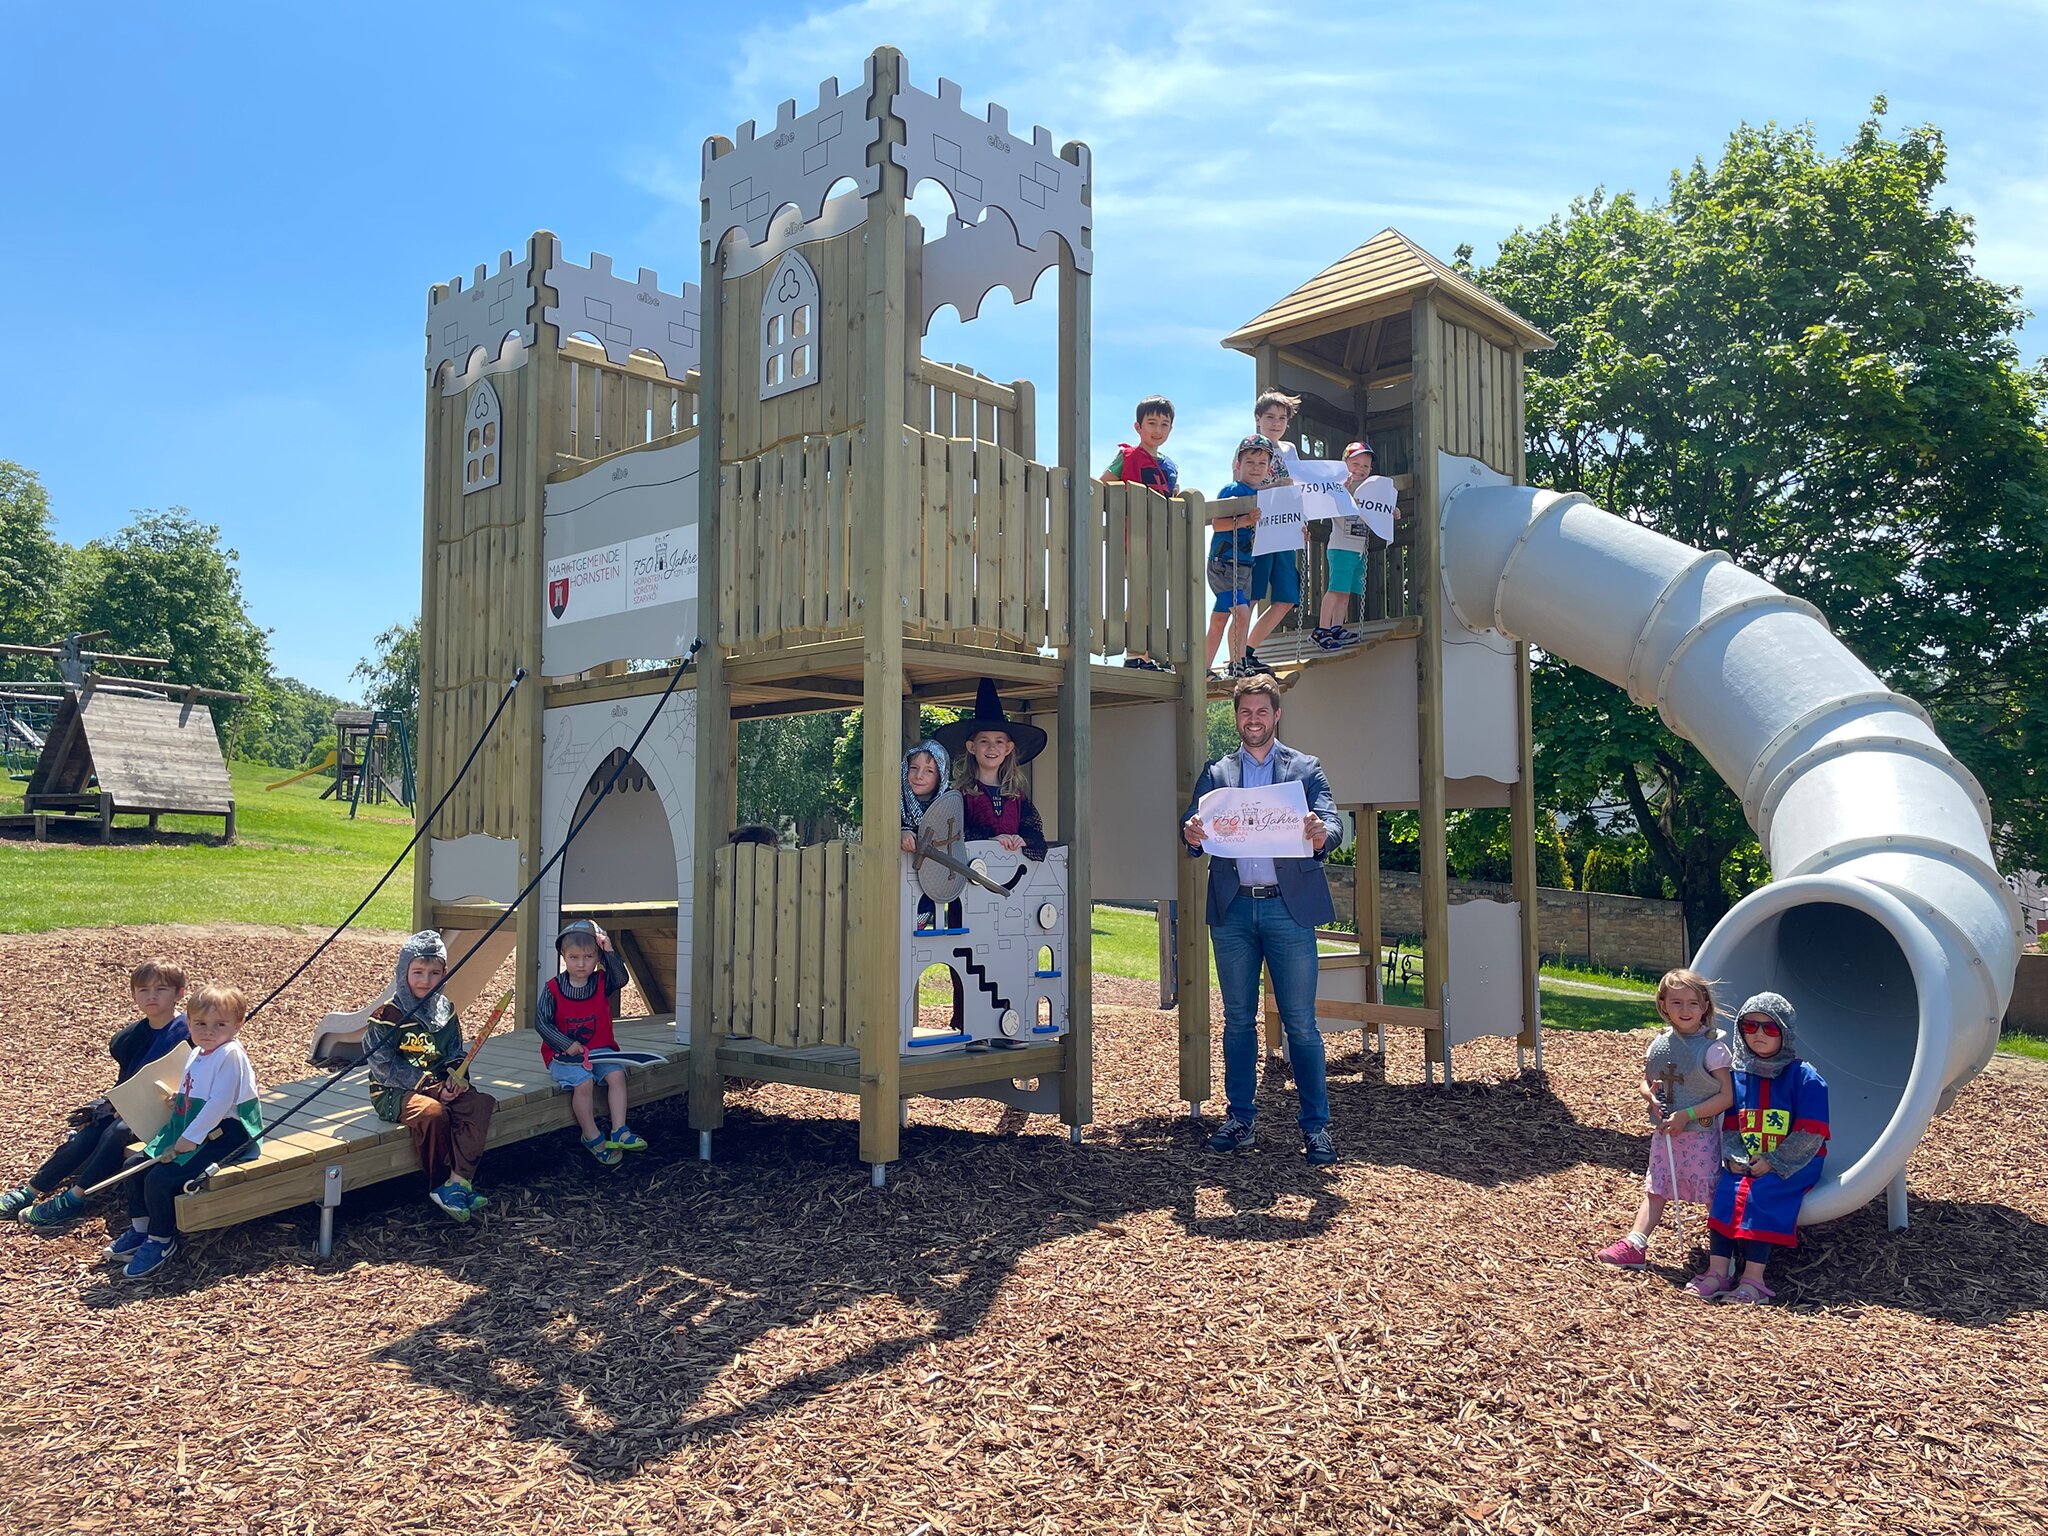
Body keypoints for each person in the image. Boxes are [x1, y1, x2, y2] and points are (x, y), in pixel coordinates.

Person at [1181, 675, 1343, 1165]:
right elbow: (1192, 832)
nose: (1253, 720)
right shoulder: (1217, 772)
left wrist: (1320, 835)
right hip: (1232, 910)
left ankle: (1316, 1128)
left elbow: (1333, 825)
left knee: (1301, 1024)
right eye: (1245, 712)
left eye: (1261, 712)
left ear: (1277, 715)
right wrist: (1191, 834)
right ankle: (1241, 1119)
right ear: (1237, 718)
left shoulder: (1306, 769)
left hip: (1287, 909)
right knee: (1236, 1021)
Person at [5, 959, 192, 1229]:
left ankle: (75, 1197)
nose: (152, 996)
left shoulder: (189, 1031)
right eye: (143, 990)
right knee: (92, 1129)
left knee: (117, 1131)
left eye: (161, 989)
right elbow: (126, 1081)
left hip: (172, 1110)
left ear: (179, 993)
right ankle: (31, 1190)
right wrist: (111, 1104)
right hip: (132, 1105)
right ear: (133, 995)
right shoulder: (131, 1037)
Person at [1689, 991, 1829, 1304]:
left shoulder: (1805, 1078)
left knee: (1762, 1193)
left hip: (1794, 1162)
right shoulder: (1738, 1076)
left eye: (1770, 1028)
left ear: (1785, 1033)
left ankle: (1753, 1280)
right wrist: (1734, 1156)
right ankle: (1718, 1271)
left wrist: (1776, 1161)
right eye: (1750, 1027)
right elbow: (1730, 1125)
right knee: (1726, 1189)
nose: (1759, 1035)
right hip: (1746, 1158)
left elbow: (1811, 1133)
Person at [116, 984, 263, 1280]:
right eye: (200, 1024)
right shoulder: (198, 1052)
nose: (208, 1031)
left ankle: (161, 1240)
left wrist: (189, 1139)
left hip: (227, 1130)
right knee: (133, 1167)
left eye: (219, 1025)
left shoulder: (230, 1054)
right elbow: (195, 1088)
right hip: (191, 1123)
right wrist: (178, 1098)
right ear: (189, 1023)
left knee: (160, 1178)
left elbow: (220, 1103)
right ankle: (141, 1229)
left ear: (238, 1025)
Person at [1595, 968, 1734, 1268]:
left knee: (1710, 1193)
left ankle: (1725, 1256)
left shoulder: (1713, 1049)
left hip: (1700, 1137)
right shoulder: (1658, 1045)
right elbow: (1646, 1081)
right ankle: (1636, 1243)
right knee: (1656, 1189)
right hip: (1667, 1135)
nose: (1685, 1010)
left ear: (1705, 1006)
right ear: (1663, 1005)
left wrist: (1688, 1114)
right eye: (1677, 1003)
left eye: (1692, 1003)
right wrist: (1650, 1096)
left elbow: (1726, 1096)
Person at [365, 930, 497, 1222]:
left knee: (480, 1103)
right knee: (434, 1113)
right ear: (403, 972)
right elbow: (382, 1066)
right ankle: (439, 1183)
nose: (425, 980)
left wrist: (455, 1077)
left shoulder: (446, 1012)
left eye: (434, 973)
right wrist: (432, 1087)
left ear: (444, 974)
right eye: (418, 972)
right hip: (393, 1092)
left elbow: (453, 1052)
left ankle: (459, 1181)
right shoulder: (387, 1016)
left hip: (438, 1085)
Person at [536, 920, 643, 1166]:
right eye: (574, 957)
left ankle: (620, 1130)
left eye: (588, 956)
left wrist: (609, 949)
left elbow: (621, 978)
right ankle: (592, 1135)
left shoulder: (601, 982)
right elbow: (542, 1023)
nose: (581, 964)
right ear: (563, 956)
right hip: (563, 1055)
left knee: (616, 1075)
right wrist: (565, 1044)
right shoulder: (553, 988)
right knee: (583, 1081)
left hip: (599, 1049)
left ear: (597, 957)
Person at [1100, 394, 1179, 670]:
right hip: (1132, 537)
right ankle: (1135, 654)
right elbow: (1102, 486)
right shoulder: (1127, 457)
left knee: (1153, 596)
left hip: (1160, 541)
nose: (1157, 430)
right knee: (1140, 593)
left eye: (1164, 424)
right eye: (1152, 423)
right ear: (1138, 427)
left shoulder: (1170, 467)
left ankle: (1144, 651)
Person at [936, 678, 1047, 861]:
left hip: (1013, 875)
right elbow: (949, 836)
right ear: (972, 747)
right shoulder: (959, 795)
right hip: (971, 875)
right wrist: (990, 841)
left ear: (1008, 749)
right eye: (984, 741)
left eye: (999, 741)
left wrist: (1022, 840)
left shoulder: (1017, 796)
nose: (991, 748)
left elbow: (1035, 835)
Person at [1242, 391, 1304, 673]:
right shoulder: (1249, 447)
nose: (1276, 423)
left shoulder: (1290, 450)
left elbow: (1298, 489)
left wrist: (1304, 521)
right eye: (1270, 417)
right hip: (1259, 530)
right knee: (1251, 596)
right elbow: (1243, 489)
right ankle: (1236, 657)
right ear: (1258, 419)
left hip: (1286, 529)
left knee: (1288, 597)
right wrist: (1275, 486)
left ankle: (1248, 649)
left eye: (1282, 418)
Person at [1203, 435, 1273, 677]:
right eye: (1250, 462)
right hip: (1225, 564)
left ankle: (1202, 668)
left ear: (1269, 468)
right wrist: (1245, 520)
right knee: (1242, 613)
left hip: (1245, 566)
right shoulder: (1233, 489)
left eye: (1261, 463)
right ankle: (1237, 664)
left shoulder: (1265, 495)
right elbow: (1217, 524)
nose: (1256, 468)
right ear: (1238, 465)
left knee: (1219, 620)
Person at [1314, 440, 1393, 649]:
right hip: (1341, 547)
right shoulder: (1338, 488)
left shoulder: (1371, 491)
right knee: (1335, 588)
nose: (1360, 470)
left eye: (1365, 466)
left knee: (1346, 591)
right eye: (1355, 464)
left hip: (1358, 549)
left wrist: (1392, 511)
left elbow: (1381, 510)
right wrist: (1343, 489)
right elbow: (1326, 504)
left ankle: (1337, 627)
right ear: (1345, 464)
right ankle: (1322, 629)